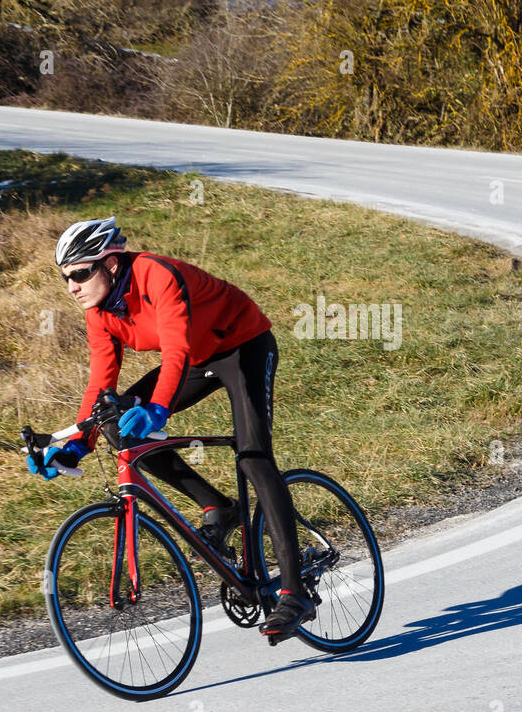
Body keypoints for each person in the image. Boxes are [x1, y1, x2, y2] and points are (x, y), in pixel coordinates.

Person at [26, 216, 315, 641]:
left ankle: (294, 593)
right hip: (199, 360)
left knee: (253, 456)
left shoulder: (156, 275)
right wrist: (76, 445)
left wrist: (158, 408)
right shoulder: (99, 311)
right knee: (117, 425)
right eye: (65, 277)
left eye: (80, 273)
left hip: (242, 347)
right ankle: (219, 506)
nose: (72, 286)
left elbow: (176, 347)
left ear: (110, 263)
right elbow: (100, 384)